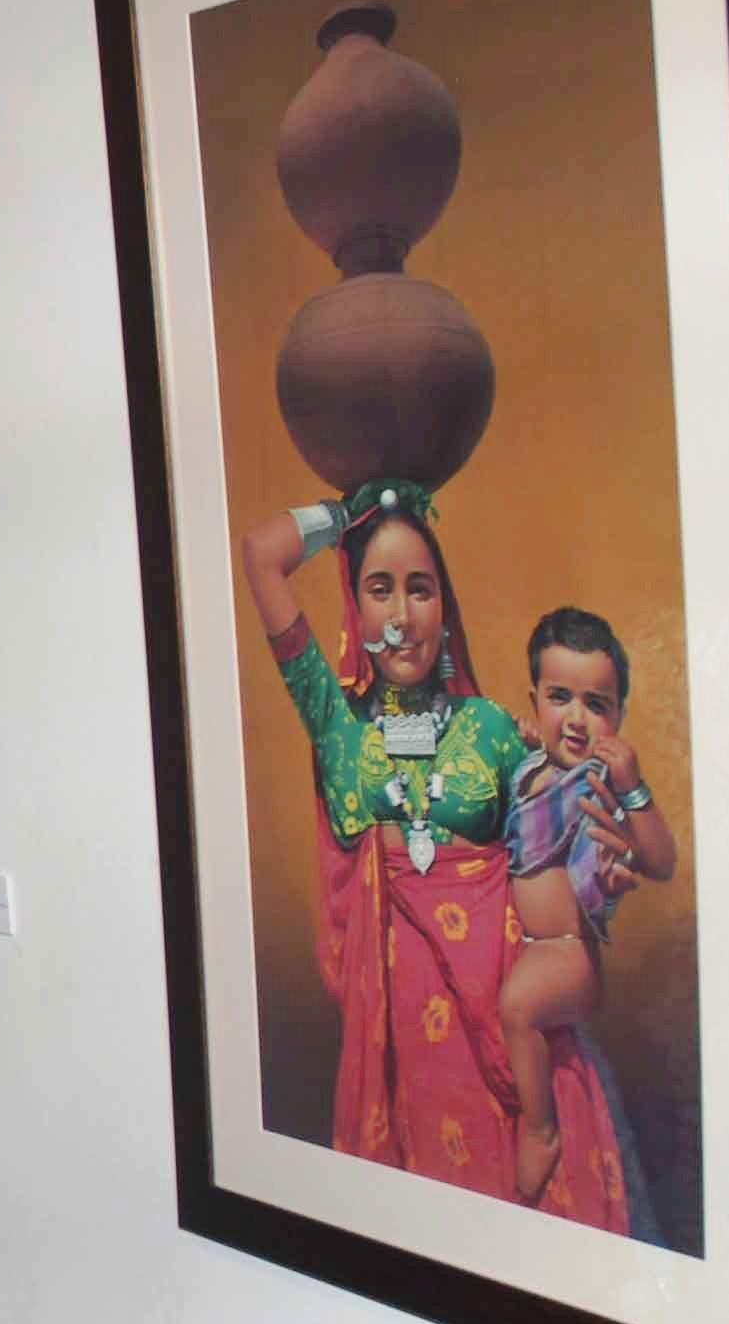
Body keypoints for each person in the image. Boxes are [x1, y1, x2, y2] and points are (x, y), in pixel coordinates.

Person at [238, 477, 644, 1228]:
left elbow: (566, 818)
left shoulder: (492, 725)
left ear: (444, 608)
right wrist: (351, 513)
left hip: (511, 1031)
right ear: (354, 608)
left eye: (419, 590)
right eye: (379, 589)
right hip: (408, 1050)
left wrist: (609, 861)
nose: (399, 616)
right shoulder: (335, 723)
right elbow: (261, 554)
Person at [500, 607, 679, 1203]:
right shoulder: (528, 772)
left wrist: (634, 786)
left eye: (595, 704)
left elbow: (660, 861)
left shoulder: (600, 781)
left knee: (518, 1006)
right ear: (536, 699)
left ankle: (543, 1130)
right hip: (528, 947)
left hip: (568, 955)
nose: (576, 719)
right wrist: (526, 736)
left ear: (618, 715)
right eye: (560, 698)